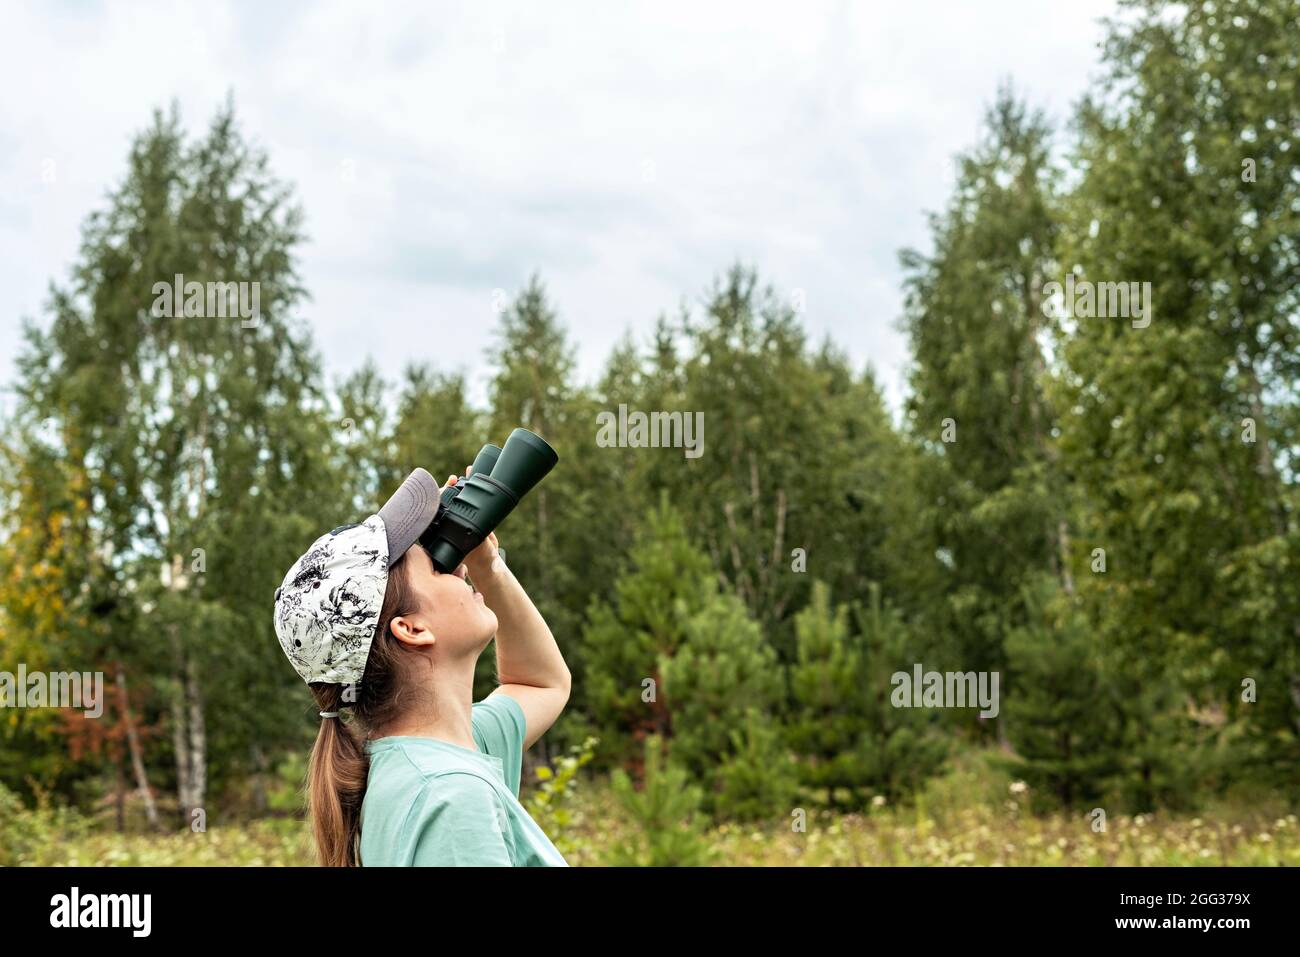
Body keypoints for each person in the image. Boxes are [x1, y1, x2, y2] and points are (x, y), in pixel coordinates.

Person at [272, 465, 571, 866]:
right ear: (410, 628)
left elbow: (540, 684)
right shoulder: (450, 796)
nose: (460, 569)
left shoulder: (424, 760)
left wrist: (489, 565)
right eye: (438, 566)